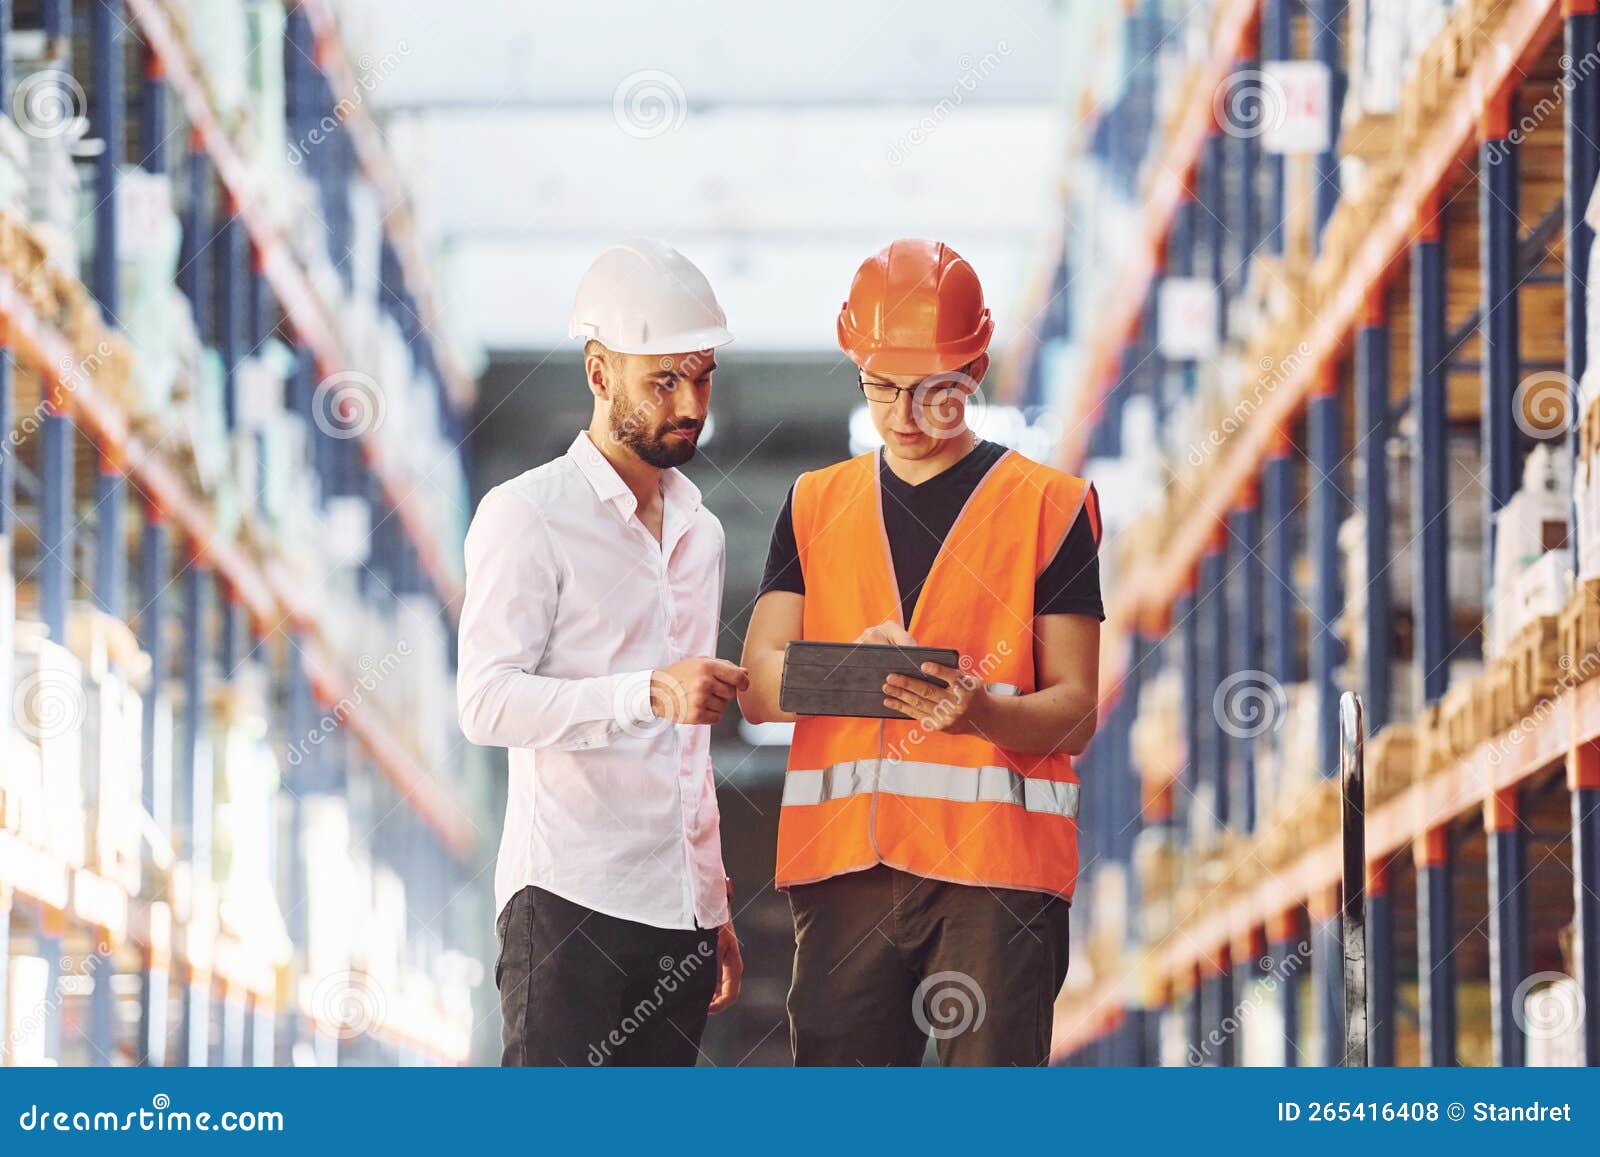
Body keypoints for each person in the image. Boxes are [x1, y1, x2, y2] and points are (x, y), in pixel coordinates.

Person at [739, 239, 1103, 1066]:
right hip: (846, 876)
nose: (902, 413)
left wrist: (981, 714)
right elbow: (757, 688)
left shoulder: (1049, 507)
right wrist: (846, 667)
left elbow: (1076, 709)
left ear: (974, 371)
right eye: (880, 386)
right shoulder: (814, 504)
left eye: (930, 390)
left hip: (994, 878)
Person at [458, 239, 746, 1066]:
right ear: (598, 372)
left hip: (682, 916)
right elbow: (485, 702)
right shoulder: (528, 515)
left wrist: (712, 894)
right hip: (569, 902)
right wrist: (644, 692)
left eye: (702, 378)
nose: (690, 404)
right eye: (664, 381)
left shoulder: (701, 533)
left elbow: (685, 751)